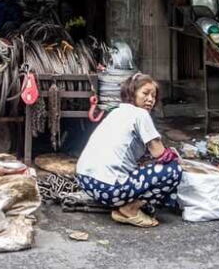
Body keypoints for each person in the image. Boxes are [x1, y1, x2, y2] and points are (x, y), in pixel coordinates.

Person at [76, 73, 182, 228]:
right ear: (132, 93)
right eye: (145, 93)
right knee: (173, 170)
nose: (150, 99)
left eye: (153, 96)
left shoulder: (116, 112)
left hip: (85, 181)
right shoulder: (140, 115)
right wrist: (176, 158)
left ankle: (129, 202)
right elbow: (160, 154)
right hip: (109, 189)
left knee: (146, 167)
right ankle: (129, 209)